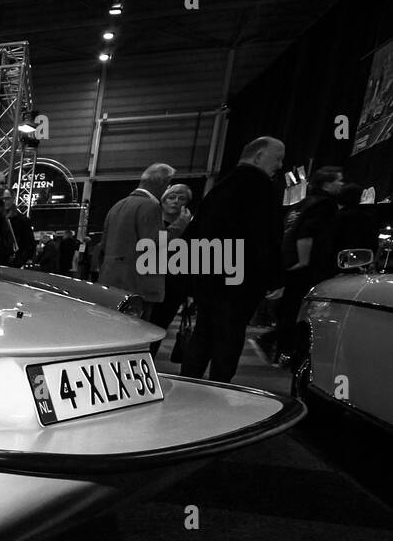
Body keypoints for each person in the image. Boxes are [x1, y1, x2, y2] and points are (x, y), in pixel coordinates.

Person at [179, 136, 286, 383]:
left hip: (209, 278)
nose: (280, 165)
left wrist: (192, 277)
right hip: (241, 282)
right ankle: (220, 388)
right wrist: (275, 277)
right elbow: (268, 237)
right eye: (278, 159)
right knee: (230, 337)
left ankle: (188, 383)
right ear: (259, 156)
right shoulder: (262, 187)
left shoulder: (220, 187)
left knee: (203, 333)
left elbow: (194, 234)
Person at [268, 166, 344, 362]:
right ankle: (291, 352)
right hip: (306, 268)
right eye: (338, 180)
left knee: (288, 309)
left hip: (288, 263)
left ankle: (281, 351)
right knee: (301, 311)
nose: (341, 184)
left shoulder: (302, 203)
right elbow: (306, 233)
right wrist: (303, 261)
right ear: (326, 184)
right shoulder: (325, 204)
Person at [99, 163, 185, 321]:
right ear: (163, 183)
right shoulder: (150, 206)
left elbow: (103, 246)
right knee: (137, 331)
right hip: (138, 287)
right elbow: (152, 244)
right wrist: (179, 226)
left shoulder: (117, 206)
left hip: (111, 282)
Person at [147, 183, 196, 338]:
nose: (175, 201)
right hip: (148, 283)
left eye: (181, 198)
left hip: (173, 286)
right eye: (171, 197)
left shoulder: (191, 229)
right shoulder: (152, 222)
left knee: (159, 329)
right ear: (163, 200)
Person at [1, 188, 34, 267]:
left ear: (13, 199)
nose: (4, 201)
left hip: (13, 264)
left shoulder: (22, 220)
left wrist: (18, 263)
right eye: (2, 199)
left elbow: (29, 246)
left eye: (7, 198)